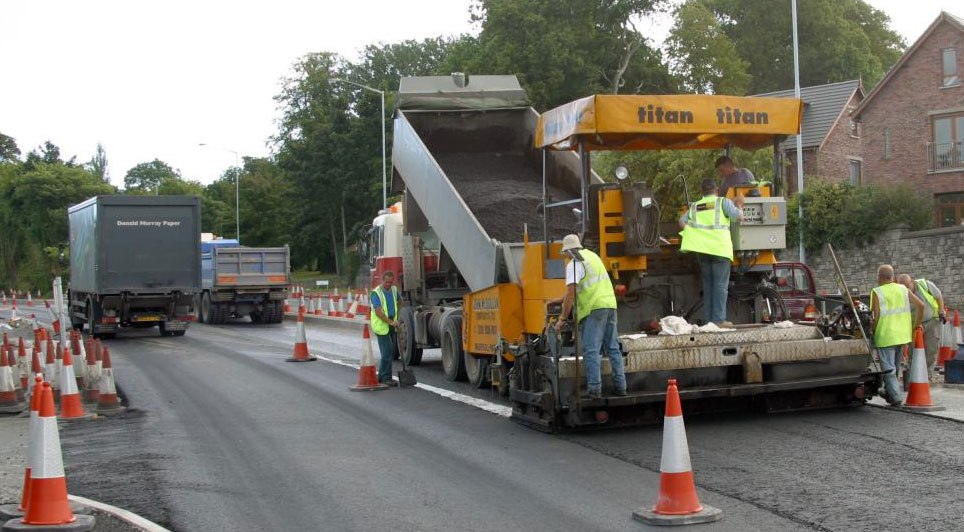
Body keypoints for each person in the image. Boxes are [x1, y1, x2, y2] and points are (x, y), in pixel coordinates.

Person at [552, 234, 627, 399]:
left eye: (565, 253)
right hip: (610, 305)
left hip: (594, 309)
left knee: (591, 350)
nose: (565, 256)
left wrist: (562, 320)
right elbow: (584, 286)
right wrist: (560, 299)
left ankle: (594, 390)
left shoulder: (574, 264)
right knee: (613, 348)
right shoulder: (593, 256)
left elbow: (571, 295)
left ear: (569, 251)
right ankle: (621, 387)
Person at [678, 178, 744, 326]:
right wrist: (739, 205)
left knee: (708, 286)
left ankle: (709, 321)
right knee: (720, 285)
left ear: (702, 191)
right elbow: (739, 217)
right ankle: (719, 320)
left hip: (703, 251)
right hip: (720, 250)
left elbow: (681, 221)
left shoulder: (696, 206)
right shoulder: (722, 202)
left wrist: (693, 234)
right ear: (716, 190)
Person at [870, 265, 924, 406]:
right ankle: (889, 392)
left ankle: (895, 397)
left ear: (880, 277)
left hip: (885, 335)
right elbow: (921, 305)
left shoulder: (877, 292)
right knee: (895, 366)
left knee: (889, 369)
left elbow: (876, 317)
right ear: (893, 277)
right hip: (903, 335)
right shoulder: (903, 289)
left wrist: (872, 330)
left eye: (877, 276)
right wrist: (916, 325)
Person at [897, 273, 945, 378]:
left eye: (907, 286)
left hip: (931, 321)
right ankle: (911, 374)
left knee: (931, 349)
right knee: (912, 349)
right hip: (914, 324)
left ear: (912, 282)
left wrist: (941, 311)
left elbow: (938, 296)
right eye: (902, 287)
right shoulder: (900, 292)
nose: (906, 290)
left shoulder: (925, 285)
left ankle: (927, 375)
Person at [370, 271, 400, 386]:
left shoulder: (393, 290)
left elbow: (399, 301)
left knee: (389, 352)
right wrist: (391, 322)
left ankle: (381, 377)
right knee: (387, 352)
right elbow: (379, 313)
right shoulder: (376, 293)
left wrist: (397, 318)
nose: (388, 284)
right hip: (381, 326)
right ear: (382, 280)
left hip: (391, 324)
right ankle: (386, 377)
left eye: (390, 282)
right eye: (386, 282)